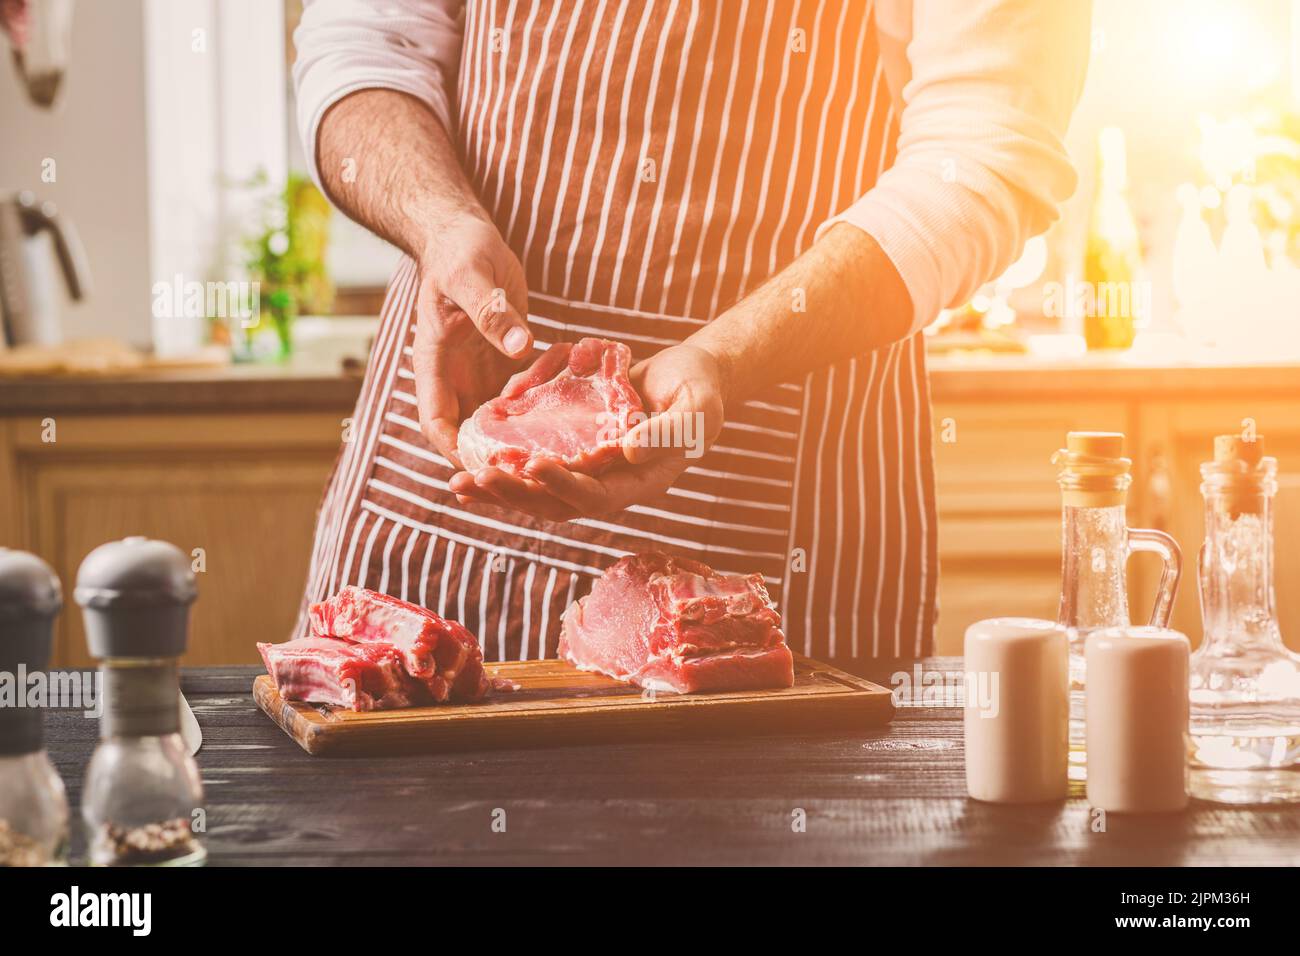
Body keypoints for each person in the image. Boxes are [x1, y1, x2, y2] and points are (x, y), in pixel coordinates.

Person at [292, 0, 1090, 663]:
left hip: (770, 505)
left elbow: (984, 149)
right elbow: (365, 44)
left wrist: (725, 358)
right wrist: (440, 223)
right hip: (437, 480)